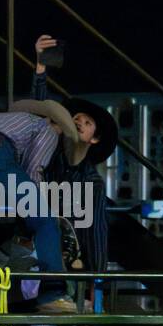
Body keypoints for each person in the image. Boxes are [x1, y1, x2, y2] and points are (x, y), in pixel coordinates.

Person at [0, 98, 90, 313]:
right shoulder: (47, 129)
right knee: (45, 222)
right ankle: (53, 294)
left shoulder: (2, 119)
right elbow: (33, 172)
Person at [33, 33, 118, 273]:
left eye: (87, 122)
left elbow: (96, 234)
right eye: (76, 118)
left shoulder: (93, 183)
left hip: (71, 265)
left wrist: (96, 283)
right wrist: (40, 67)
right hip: (37, 256)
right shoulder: (49, 156)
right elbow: (39, 116)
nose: (79, 122)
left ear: (95, 138)